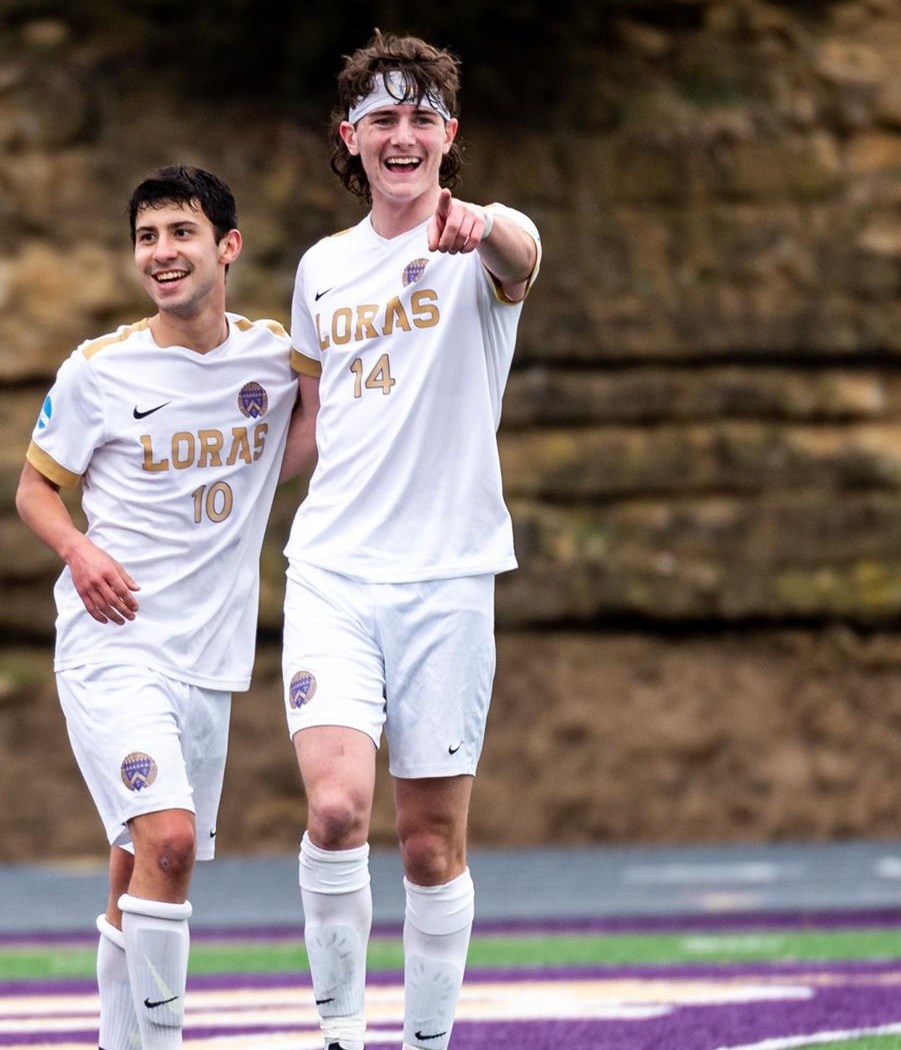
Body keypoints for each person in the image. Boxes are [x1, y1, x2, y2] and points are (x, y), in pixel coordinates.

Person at [279, 31, 541, 1050]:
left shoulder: (481, 246)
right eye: (380, 118)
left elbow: (521, 252)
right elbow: (304, 424)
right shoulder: (320, 268)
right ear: (348, 137)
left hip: (448, 578)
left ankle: (424, 1042)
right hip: (333, 573)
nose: (401, 135)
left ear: (448, 136)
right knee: (336, 810)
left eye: (420, 117)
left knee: (429, 846)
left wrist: (487, 229)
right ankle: (340, 1033)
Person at [15, 165, 310, 1050]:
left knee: (136, 867)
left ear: (228, 247)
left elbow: (331, 412)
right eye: (147, 237)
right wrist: (80, 549)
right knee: (171, 843)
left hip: (209, 660)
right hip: (114, 646)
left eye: (181, 233)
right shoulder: (99, 369)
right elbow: (34, 490)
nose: (162, 253)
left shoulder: (274, 354)